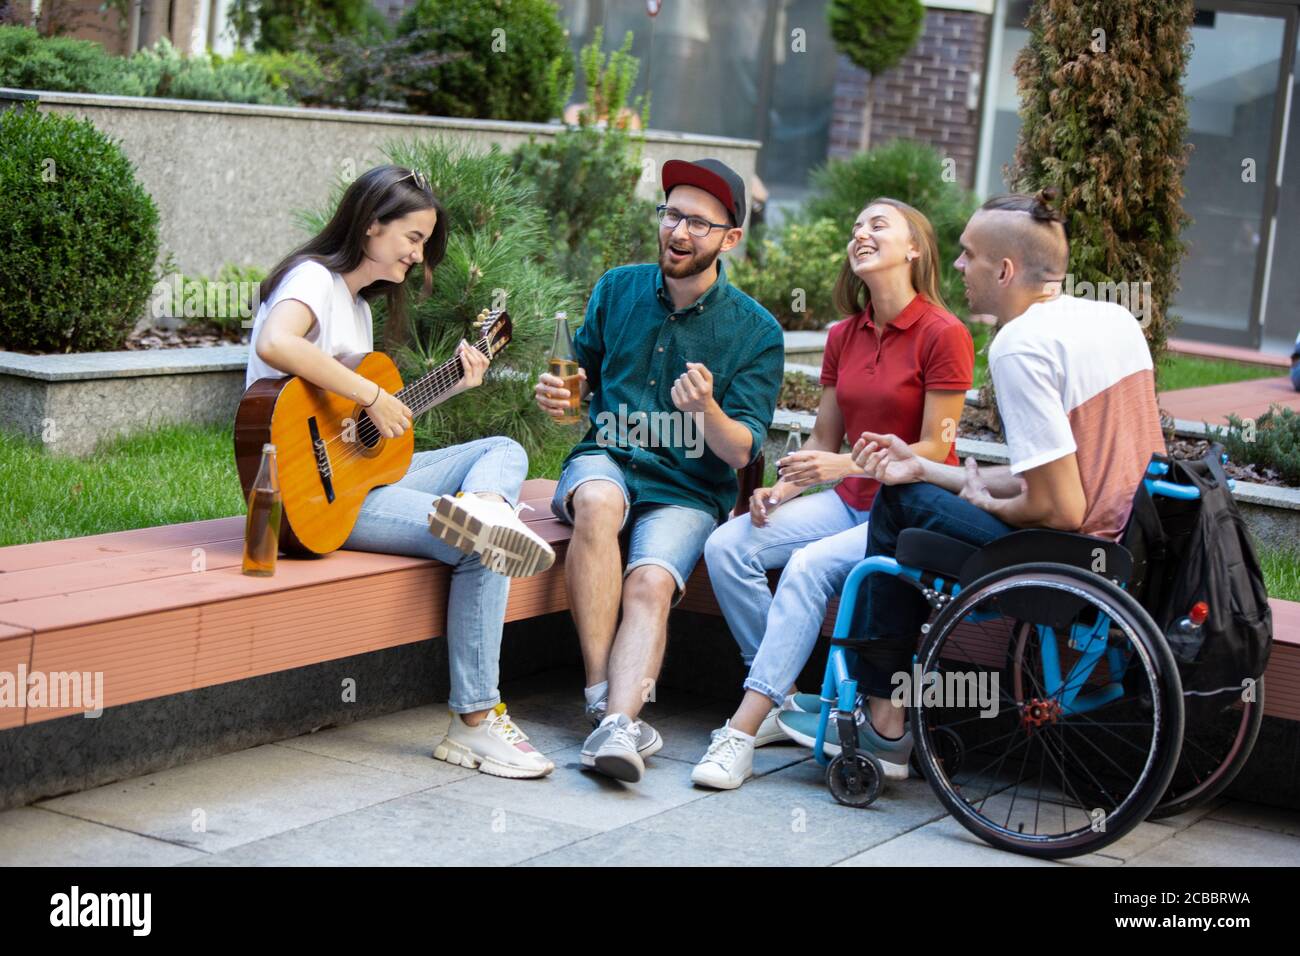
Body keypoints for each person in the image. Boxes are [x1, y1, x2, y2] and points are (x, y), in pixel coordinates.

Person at [833, 187, 1166, 778]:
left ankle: (885, 718)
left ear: (1005, 269)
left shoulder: (1019, 345)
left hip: (1070, 556)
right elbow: (1063, 468)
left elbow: (1061, 507)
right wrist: (930, 468)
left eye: (967, 255)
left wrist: (986, 500)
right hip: (1128, 543)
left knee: (895, 503)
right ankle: (888, 705)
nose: (957, 266)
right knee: (912, 485)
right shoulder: (1111, 318)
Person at [245, 164, 555, 780]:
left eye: (422, 243)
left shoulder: (357, 312)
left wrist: (446, 386)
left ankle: (487, 506)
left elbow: (369, 430)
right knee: (481, 551)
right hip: (305, 499)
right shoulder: (313, 279)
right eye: (412, 238)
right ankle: (473, 724)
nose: (417, 254)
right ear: (369, 226)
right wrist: (368, 393)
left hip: (359, 481)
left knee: (503, 452)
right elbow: (277, 345)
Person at [691, 199, 973, 790]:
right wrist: (783, 489)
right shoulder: (844, 335)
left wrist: (842, 461)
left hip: (904, 512)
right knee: (728, 546)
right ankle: (781, 695)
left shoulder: (944, 334)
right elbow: (823, 438)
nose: (860, 233)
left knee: (807, 568)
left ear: (914, 249)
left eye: (877, 225)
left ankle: (741, 730)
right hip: (846, 500)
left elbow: (934, 450)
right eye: (856, 225)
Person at [533, 158, 785, 783]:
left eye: (699, 223)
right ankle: (603, 700)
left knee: (650, 583)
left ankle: (619, 725)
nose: (679, 231)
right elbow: (578, 391)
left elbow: (740, 452)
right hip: (607, 459)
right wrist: (563, 402)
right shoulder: (616, 289)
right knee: (596, 503)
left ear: (730, 238)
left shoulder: (757, 332)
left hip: (688, 490)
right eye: (672, 214)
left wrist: (705, 410)